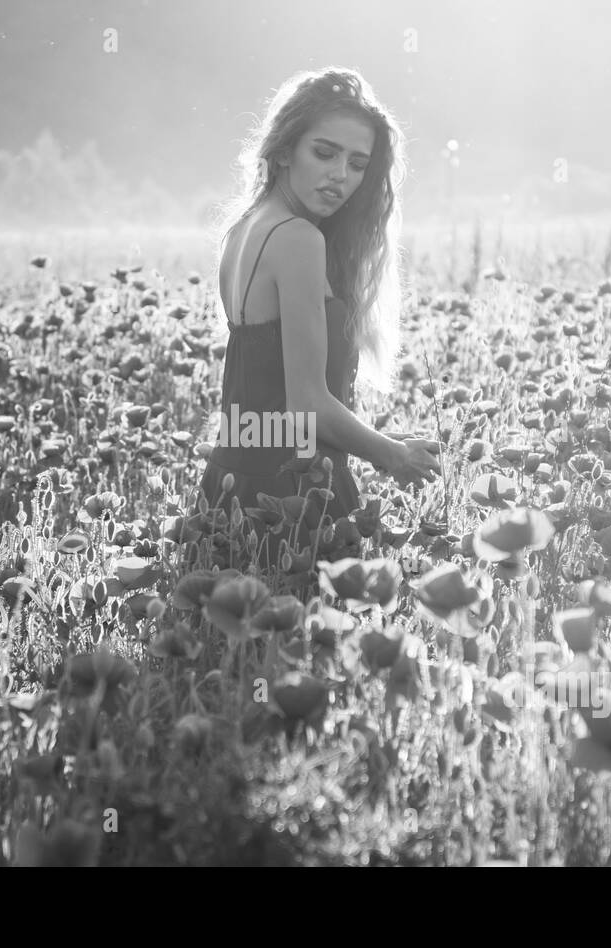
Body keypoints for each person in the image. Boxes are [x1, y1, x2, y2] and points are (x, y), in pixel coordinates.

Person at [197, 67, 442, 575]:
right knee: (312, 649)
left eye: (357, 164)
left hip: (232, 482)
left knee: (237, 651)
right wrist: (393, 454)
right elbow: (306, 403)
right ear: (284, 150)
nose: (341, 177)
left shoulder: (242, 228)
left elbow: (263, 383)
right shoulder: (297, 239)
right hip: (294, 490)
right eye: (324, 153)